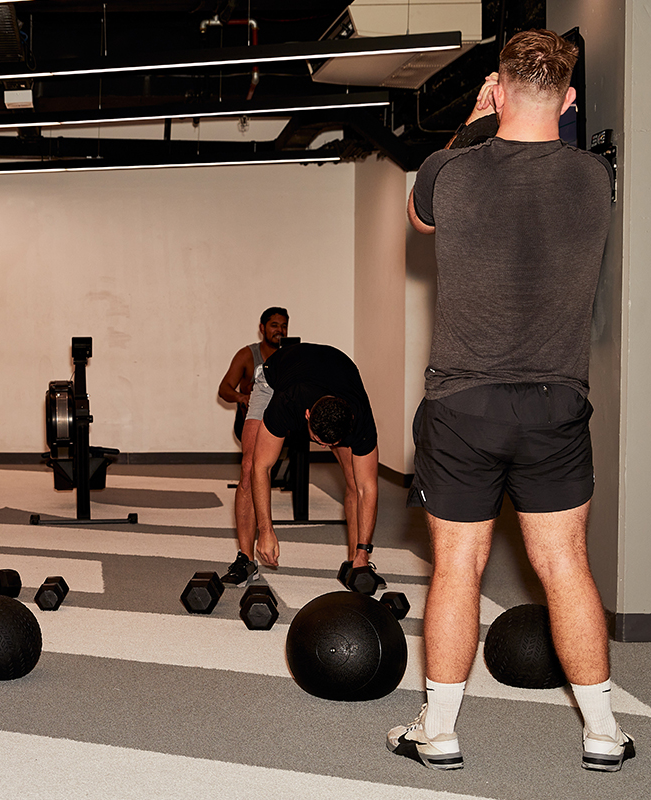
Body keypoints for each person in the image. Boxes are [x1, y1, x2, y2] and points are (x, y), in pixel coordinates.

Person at [390, 29, 629, 772]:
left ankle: (441, 731)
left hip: (464, 406)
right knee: (566, 566)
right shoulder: (596, 179)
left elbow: (419, 216)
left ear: (495, 89)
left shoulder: (449, 172)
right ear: (571, 98)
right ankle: (601, 733)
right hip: (556, 402)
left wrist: (474, 118)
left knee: (457, 568)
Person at [246, 343, 384, 587]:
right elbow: (262, 468)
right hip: (277, 372)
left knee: (355, 479)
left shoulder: (359, 418)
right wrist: (266, 530)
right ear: (307, 415)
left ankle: (356, 562)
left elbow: (367, 488)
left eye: (329, 443)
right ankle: (244, 558)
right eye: (319, 440)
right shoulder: (288, 401)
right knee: (250, 464)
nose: (322, 447)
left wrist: (365, 550)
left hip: (339, 368)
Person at [217, 307, 289, 585]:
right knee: (249, 467)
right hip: (252, 415)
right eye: (273, 325)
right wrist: (240, 397)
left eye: (283, 325)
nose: (278, 330)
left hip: (283, 419)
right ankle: (245, 557)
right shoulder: (248, 355)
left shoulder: (290, 354)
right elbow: (224, 388)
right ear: (262, 327)